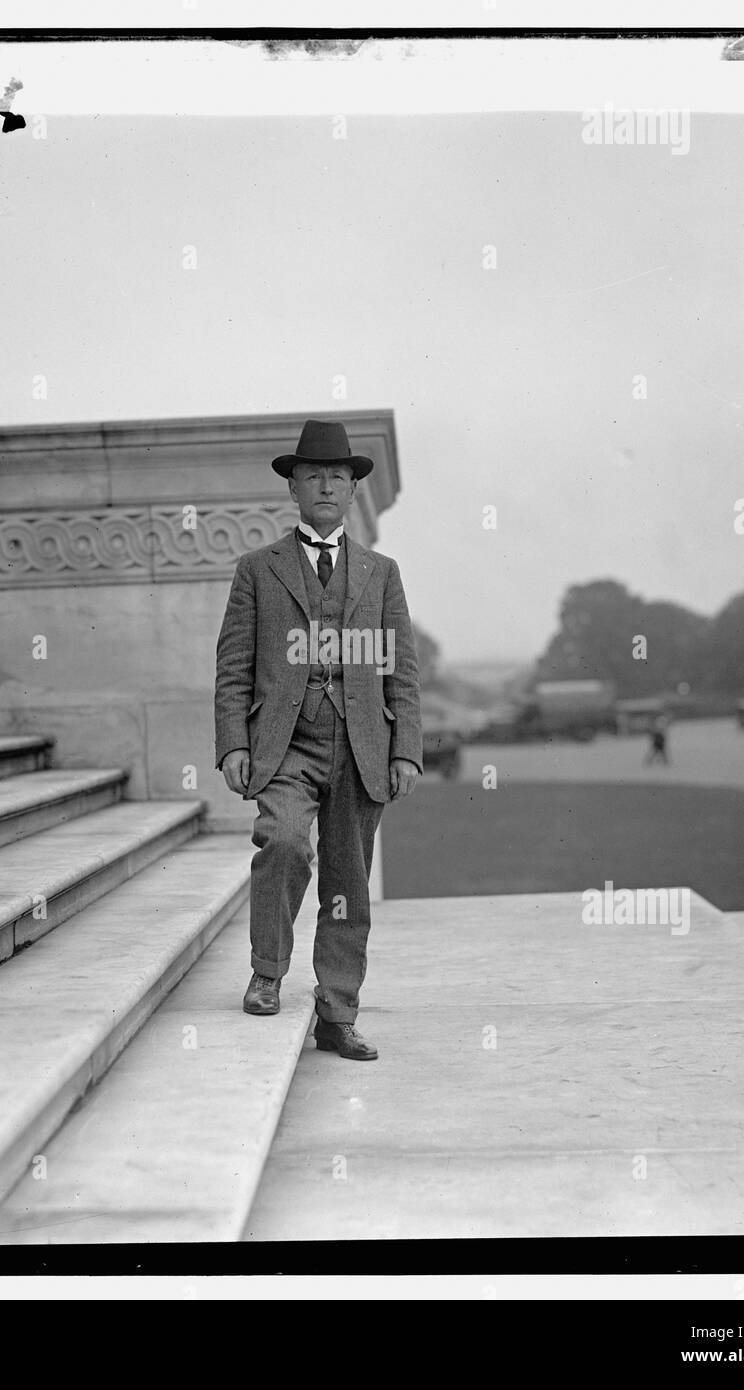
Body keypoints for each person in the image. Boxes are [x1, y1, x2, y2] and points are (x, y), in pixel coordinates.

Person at [214, 419, 422, 1061]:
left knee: (347, 882)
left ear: (353, 488)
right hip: (284, 744)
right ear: (294, 488)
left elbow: (402, 670)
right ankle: (267, 972)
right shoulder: (257, 569)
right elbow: (233, 665)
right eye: (313, 475)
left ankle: (337, 1013)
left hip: (363, 746)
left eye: (338, 475)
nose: (326, 485)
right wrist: (232, 743)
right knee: (281, 842)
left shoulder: (381, 573)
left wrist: (406, 747)